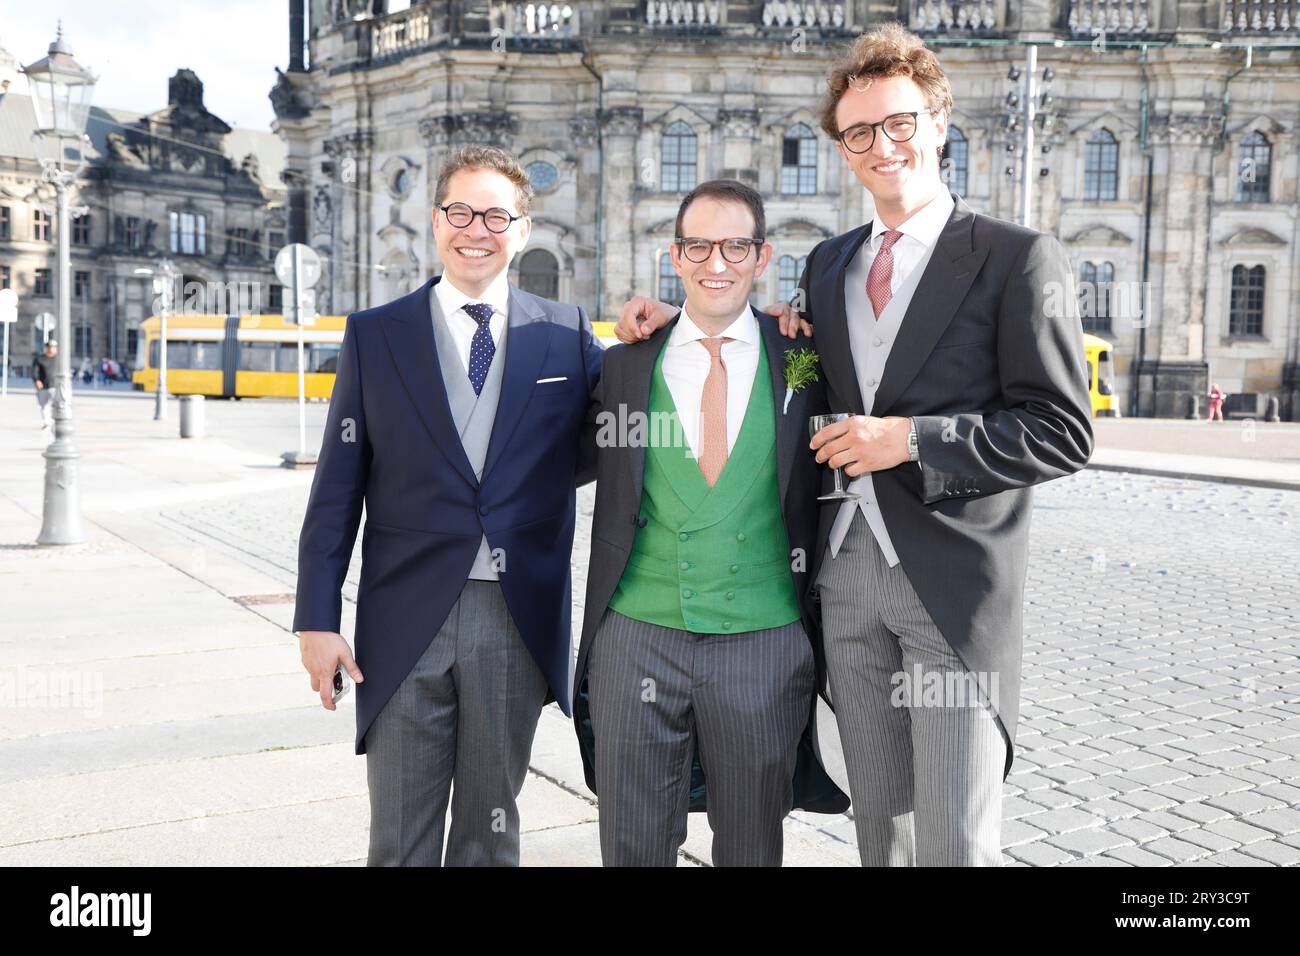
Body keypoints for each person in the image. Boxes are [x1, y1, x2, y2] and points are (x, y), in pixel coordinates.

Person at [616, 24, 1094, 866]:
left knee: (952, 837)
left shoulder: (1017, 258)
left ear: (939, 124)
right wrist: (676, 323)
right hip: (843, 580)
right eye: (860, 132)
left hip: (951, 581)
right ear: (843, 149)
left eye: (900, 123)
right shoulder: (831, 266)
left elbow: (1061, 430)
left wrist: (910, 440)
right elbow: (794, 360)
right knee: (883, 829)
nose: (883, 146)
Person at [293, 145, 604, 866]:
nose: (477, 229)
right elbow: (337, 488)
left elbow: (595, 445)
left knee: (490, 839)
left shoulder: (566, 333)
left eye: (498, 215)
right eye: (461, 211)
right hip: (402, 622)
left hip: (514, 621)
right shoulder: (376, 336)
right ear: (436, 221)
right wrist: (316, 618)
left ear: (523, 229)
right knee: (398, 840)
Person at [575, 180, 847, 866]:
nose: (715, 261)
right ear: (674, 254)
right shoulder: (626, 364)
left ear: (763, 257)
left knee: (752, 844)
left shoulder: (807, 360)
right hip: (635, 635)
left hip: (765, 641)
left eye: (735, 245)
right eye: (698, 244)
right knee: (632, 843)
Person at [32, 341, 56, 431]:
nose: (51, 349)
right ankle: (46, 423)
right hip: (43, 386)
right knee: (44, 405)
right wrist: (37, 380)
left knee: (56, 404)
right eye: (49, 347)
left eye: (53, 347)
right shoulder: (40, 359)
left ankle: (54, 421)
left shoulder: (58, 359)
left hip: (55, 386)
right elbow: (35, 371)